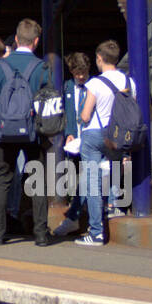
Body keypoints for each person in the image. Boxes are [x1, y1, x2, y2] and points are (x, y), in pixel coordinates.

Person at [0, 19, 53, 246]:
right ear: (36, 41)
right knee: (38, 182)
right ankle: (41, 233)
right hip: (33, 132)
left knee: (1, 181)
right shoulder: (42, 68)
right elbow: (48, 105)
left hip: (5, 131)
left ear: (15, 39)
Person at [76, 39, 135, 246]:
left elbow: (85, 115)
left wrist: (80, 119)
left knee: (93, 181)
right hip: (119, 136)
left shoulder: (95, 83)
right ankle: (113, 206)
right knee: (113, 170)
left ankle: (96, 232)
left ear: (100, 59)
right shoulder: (130, 82)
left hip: (96, 135)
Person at [52, 52, 92, 238]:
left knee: (89, 179)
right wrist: (69, 133)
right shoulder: (67, 87)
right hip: (73, 140)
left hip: (90, 138)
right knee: (75, 178)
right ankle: (77, 209)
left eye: (83, 72)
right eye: (77, 73)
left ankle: (79, 214)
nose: (81, 77)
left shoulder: (93, 87)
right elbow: (66, 111)